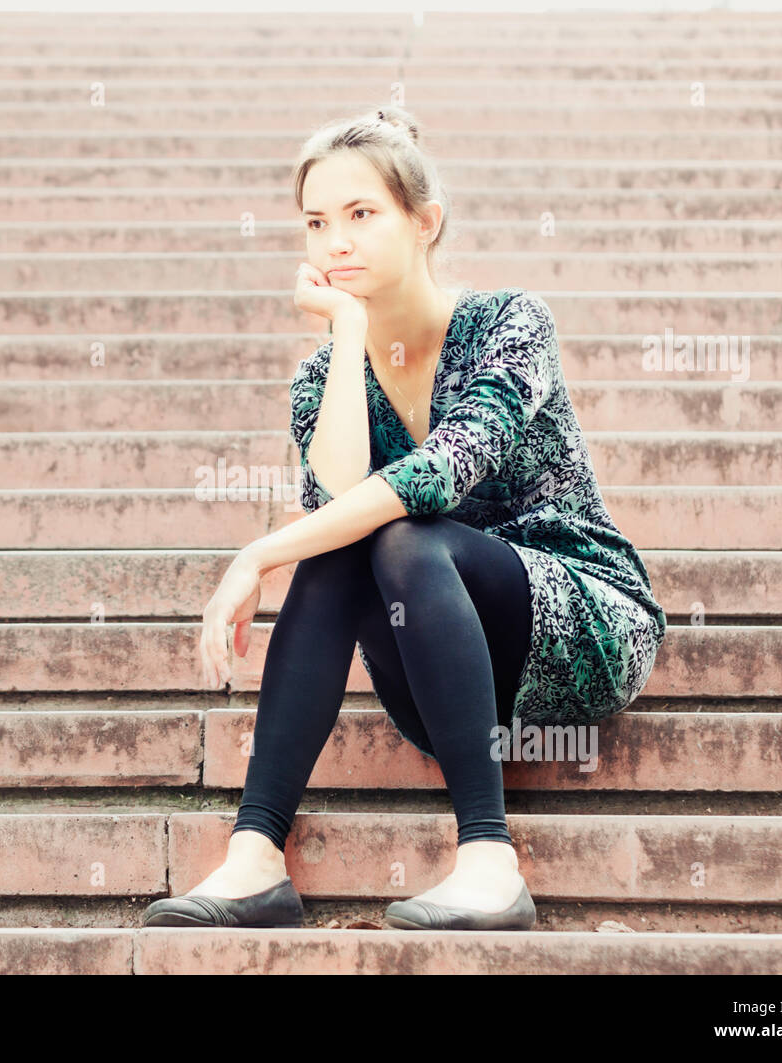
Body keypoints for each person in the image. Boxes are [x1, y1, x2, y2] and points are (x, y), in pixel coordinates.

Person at [143, 105, 666, 931]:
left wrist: (258, 554)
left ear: (425, 224)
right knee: (352, 541)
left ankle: (490, 861)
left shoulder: (510, 324)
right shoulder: (321, 379)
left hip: (578, 625)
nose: (335, 242)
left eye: (361, 215)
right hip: (440, 681)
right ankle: (256, 853)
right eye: (317, 222)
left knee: (402, 532)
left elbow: (440, 474)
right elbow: (339, 511)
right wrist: (349, 336)